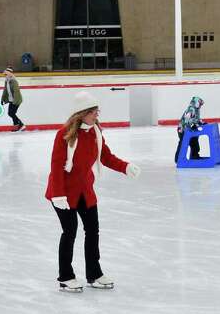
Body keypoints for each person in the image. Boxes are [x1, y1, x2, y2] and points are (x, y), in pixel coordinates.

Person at [44, 91, 140, 292]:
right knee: (69, 232)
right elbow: (56, 166)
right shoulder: (64, 134)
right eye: (94, 112)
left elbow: (105, 157)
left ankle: (94, 274)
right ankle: (66, 276)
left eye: (97, 111)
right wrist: (59, 194)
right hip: (63, 193)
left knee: (92, 231)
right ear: (82, 113)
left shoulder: (95, 132)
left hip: (85, 191)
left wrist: (125, 167)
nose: (97, 115)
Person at [175, 97, 206, 162]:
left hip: (190, 130)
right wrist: (192, 126)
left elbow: (196, 119)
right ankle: (178, 159)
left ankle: (194, 156)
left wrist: (201, 123)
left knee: (194, 142)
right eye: (200, 104)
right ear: (196, 103)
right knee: (183, 143)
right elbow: (187, 120)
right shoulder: (191, 109)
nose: (200, 106)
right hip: (183, 130)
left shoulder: (196, 110)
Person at [1, 66, 25, 131]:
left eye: (6, 74)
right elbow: (5, 90)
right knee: (10, 113)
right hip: (11, 100)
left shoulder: (14, 81)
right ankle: (19, 125)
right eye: (4, 74)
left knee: (12, 113)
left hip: (16, 100)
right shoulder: (7, 81)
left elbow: (16, 92)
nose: (5, 76)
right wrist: (2, 99)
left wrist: (15, 101)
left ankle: (20, 125)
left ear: (9, 74)